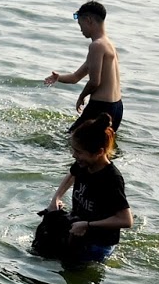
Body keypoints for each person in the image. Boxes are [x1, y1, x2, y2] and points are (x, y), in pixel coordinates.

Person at [48, 113, 132, 264]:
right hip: (79, 229)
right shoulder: (84, 164)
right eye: (74, 150)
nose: (74, 155)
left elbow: (125, 220)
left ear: (99, 152)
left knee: (70, 270)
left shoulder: (111, 179)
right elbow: (72, 174)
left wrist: (87, 225)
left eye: (79, 152)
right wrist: (57, 198)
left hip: (98, 244)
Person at [44, 0, 122, 132]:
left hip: (101, 107)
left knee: (73, 138)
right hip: (117, 107)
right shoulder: (109, 45)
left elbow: (95, 82)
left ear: (88, 20)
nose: (81, 29)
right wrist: (58, 78)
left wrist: (81, 96)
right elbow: (76, 76)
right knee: (101, 143)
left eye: (80, 24)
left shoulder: (96, 46)